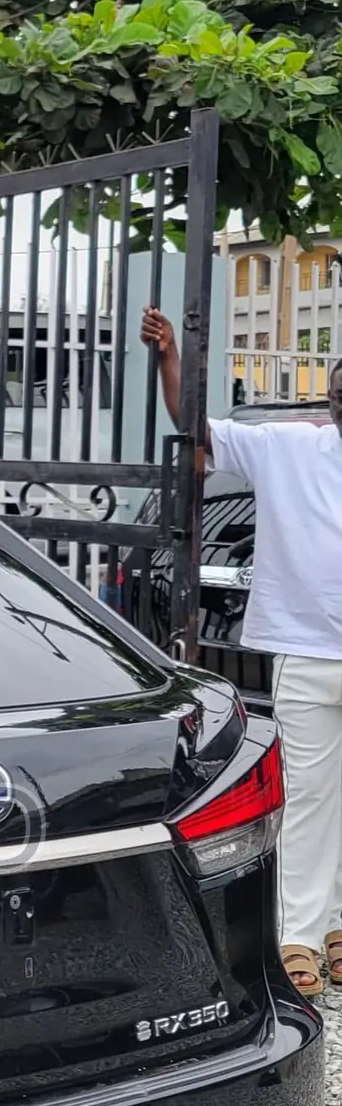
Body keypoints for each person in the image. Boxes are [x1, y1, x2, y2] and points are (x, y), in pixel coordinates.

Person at [142, 305, 342, 997]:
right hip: (308, 651)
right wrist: (171, 362)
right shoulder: (293, 446)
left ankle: (337, 929)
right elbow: (195, 431)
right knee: (312, 794)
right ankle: (301, 936)